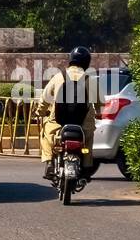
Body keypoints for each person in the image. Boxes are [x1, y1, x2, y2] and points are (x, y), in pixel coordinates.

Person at [38, 46, 100, 179]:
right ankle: (86, 166)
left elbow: (44, 99)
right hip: (83, 124)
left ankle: (49, 162)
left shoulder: (58, 77)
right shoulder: (90, 80)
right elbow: (101, 103)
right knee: (88, 140)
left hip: (59, 121)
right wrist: (99, 112)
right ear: (87, 62)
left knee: (46, 133)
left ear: (70, 59)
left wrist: (40, 113)